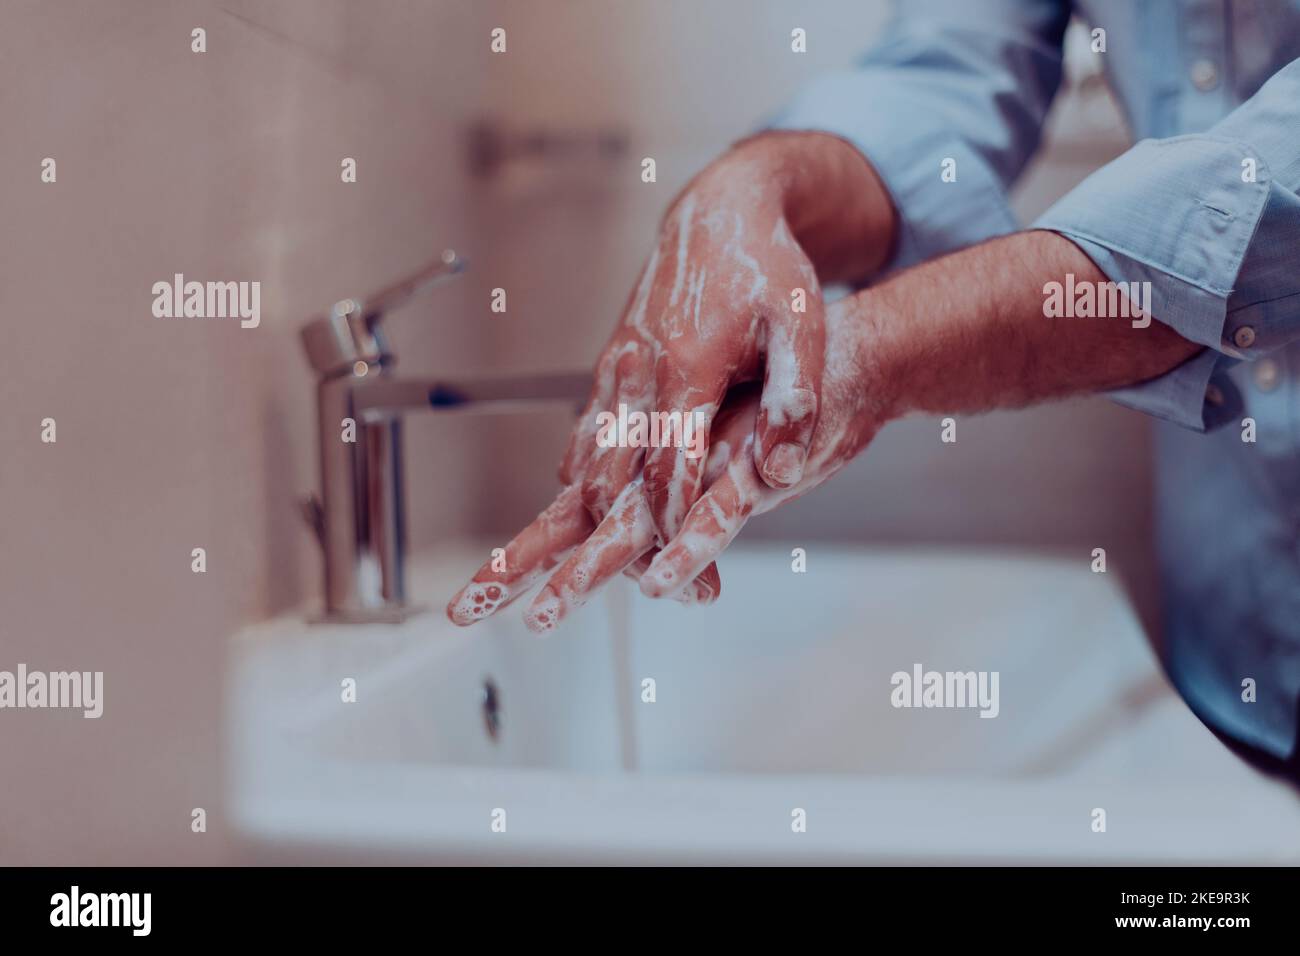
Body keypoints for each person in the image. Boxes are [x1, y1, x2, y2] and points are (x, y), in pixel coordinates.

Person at [448, 1, 1300, 779]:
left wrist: (870, 353)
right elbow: (944, 82)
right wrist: (750, 189)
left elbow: (1265, 201)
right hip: (1227, 662)